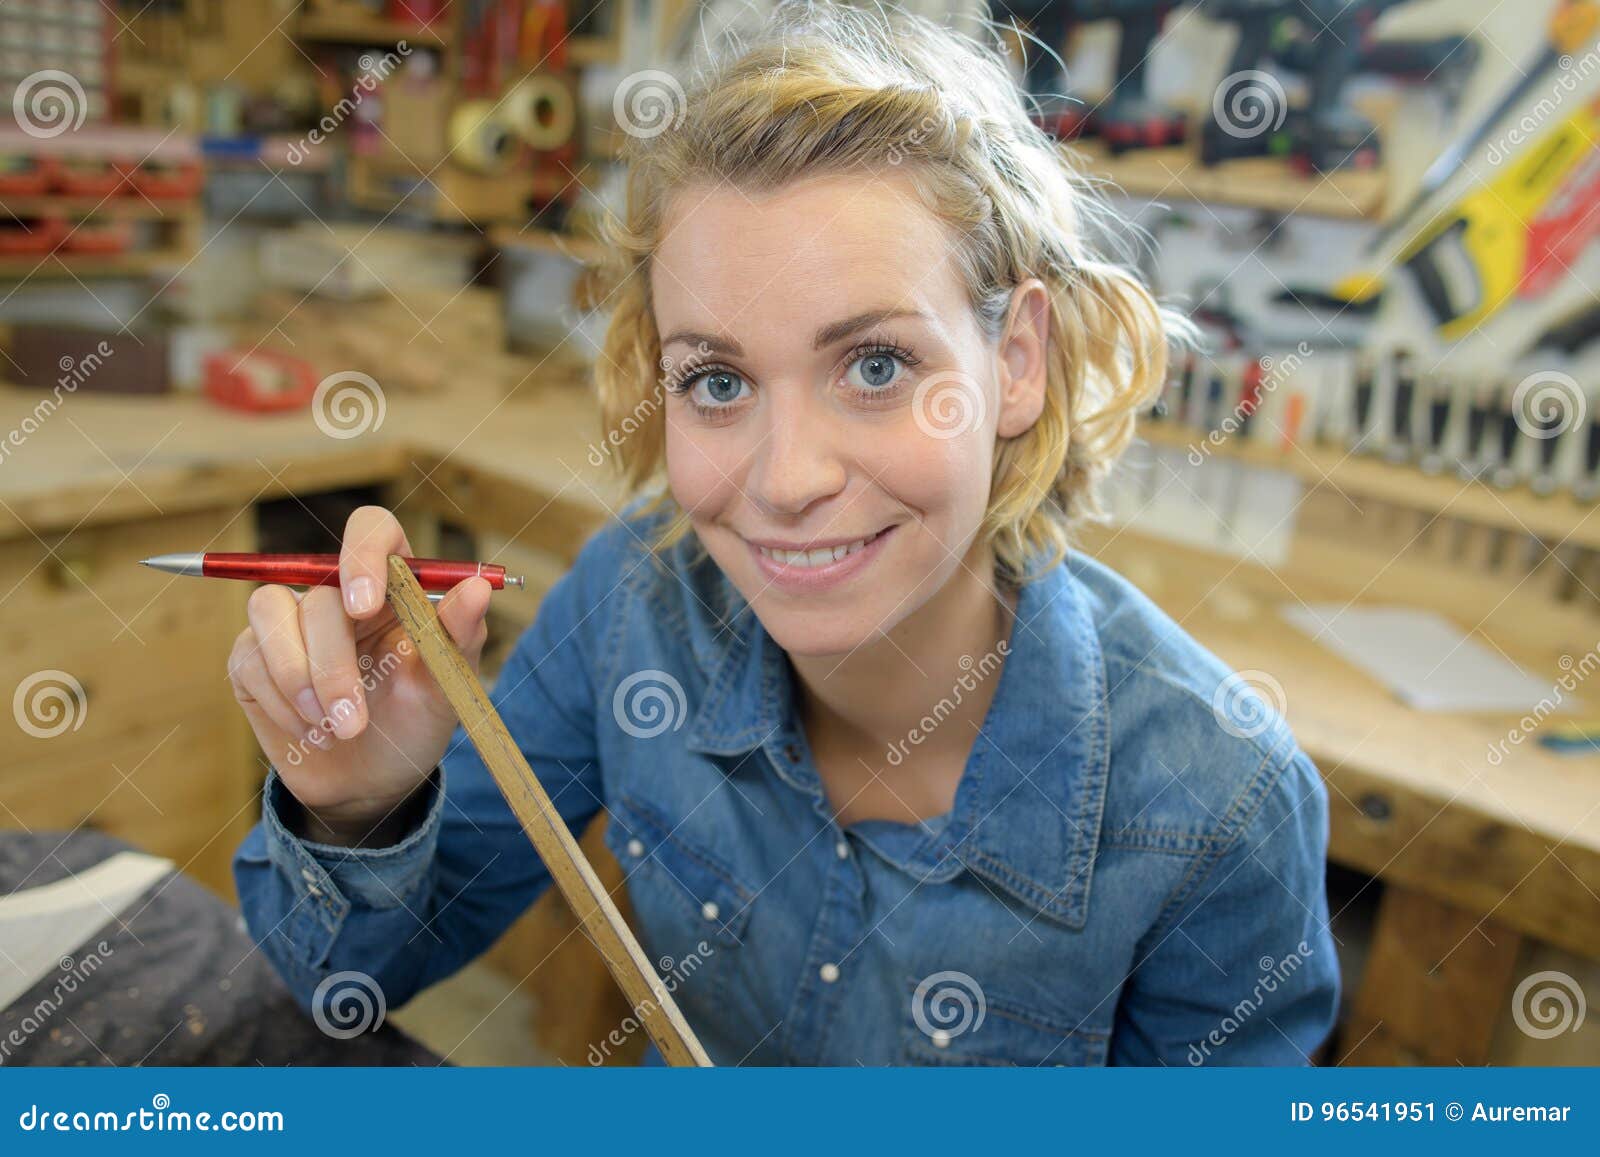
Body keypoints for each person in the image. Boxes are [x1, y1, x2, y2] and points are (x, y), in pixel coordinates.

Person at [230, 0, 1339, 1065]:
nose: (787, 478)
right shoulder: (635, 605)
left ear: (1014, 361)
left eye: (874, 365)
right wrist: (361, 809)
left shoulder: (1220, 806)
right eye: (716, 380)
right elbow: (342, 980)